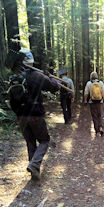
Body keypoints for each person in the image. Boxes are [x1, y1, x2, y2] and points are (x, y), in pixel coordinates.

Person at [9, 48, 60, 181]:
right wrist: (49, 77)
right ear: (30, 61)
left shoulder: (14, 78)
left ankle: (34, 172)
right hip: (35, 115)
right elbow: (54, 87)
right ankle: (35, 164)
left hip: (21, 116)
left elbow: (11, 100)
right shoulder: (37, 76)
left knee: (30, 142)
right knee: (44, 140)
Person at [84, 71, 104, 136]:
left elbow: (86, 93)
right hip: (100, 102)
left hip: (92, 102)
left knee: (94, 116)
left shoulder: (89, 83)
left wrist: (85, 100)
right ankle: (101, 127)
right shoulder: (101, 83)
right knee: (100, 115)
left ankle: (97, 131)